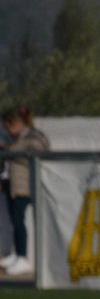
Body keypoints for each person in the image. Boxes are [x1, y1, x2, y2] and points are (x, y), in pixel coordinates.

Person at [1, 107, 50, 277]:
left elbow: (41, 150)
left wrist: (9, 149)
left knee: (19, 220)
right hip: (11, 183)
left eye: (9, 126)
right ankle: (16, 254)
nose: (8, 130)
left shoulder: (32, 136)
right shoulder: (14, 138)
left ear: (17, 123)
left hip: (24, 185)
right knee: (14, 221)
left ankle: (23, 257)